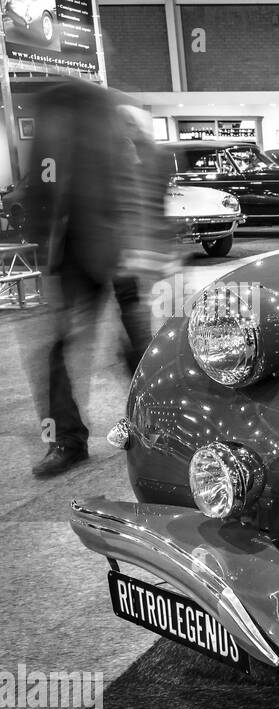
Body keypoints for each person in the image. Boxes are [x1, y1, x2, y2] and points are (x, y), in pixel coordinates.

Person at [22, 81, 169, 479]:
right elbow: (40, 196)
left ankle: (161, 427)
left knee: (139, 347)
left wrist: (141, 251)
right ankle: (67, 441)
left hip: (117, 255)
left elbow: (140, 189)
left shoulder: (110, 126)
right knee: (63, 351)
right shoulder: (58, 134)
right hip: (74, 259)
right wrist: (48, 258)